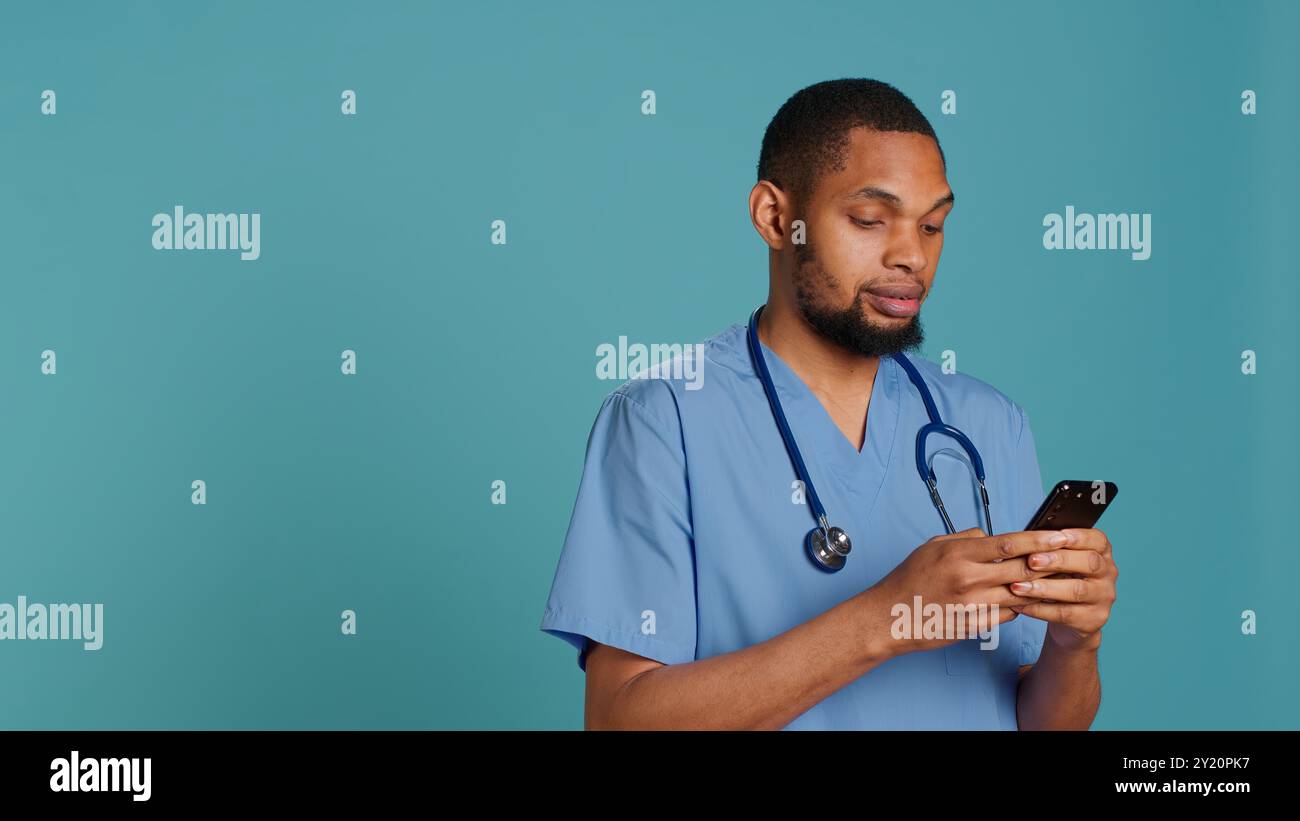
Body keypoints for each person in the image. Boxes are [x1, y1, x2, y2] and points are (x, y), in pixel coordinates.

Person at [539, 78, 1118, 730]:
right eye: (870, 220)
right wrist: (886, 617)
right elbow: (620, 719)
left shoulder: (987, 424)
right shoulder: (662, 420)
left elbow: (1042, 720)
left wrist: (1076, 642)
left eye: (933, 225)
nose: (912, 255)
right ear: (774, 217)